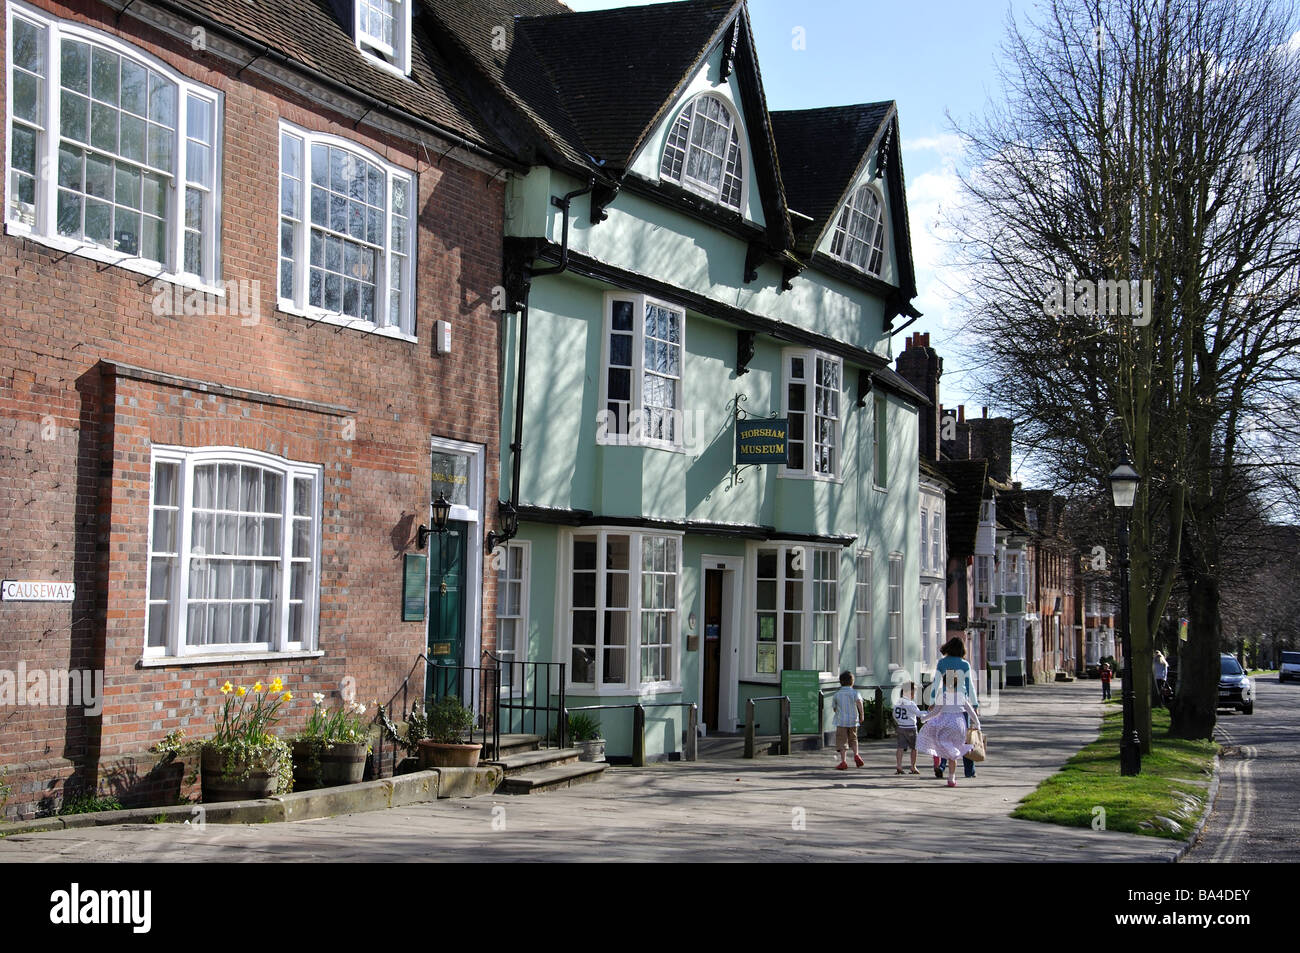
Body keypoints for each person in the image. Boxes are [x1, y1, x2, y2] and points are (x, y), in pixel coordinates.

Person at [916, 678, 982, 787]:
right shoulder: (961, 696)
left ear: (946, 683)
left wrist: (925, 719)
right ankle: (951, 778)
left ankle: (946, 761)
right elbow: (971, 711)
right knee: (953, 754)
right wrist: (977, 724)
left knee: (941, 742)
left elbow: (936, 712)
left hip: (946, 724)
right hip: (959, 725)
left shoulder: (944, 696)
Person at [932, 637, 978, 778]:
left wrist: (932, 700)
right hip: (961, 706)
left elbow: (936, 683)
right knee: (964, 739)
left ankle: (941, 765)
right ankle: (969, 771)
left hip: (945, 705)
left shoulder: (942, 663)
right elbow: (969, 685)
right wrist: (974, 704)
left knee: (946, 738)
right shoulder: (964, 664)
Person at [831, 671, 865, 770]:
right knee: (853, 739)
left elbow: (834, 708)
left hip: (841, 721)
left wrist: (838, 711)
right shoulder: (855, 693)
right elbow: (859, 703)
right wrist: (861, 715)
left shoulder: (837, 694)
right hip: (853, 720)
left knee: (842, 741)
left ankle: (843, 761)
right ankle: (856, 755)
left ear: (840, 682)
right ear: (852, 682)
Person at [892, 682, 926, 775]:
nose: (914, 695)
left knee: (900, 747)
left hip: (900, 727)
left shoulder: (898, 703)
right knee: (914, 747)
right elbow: (919, 714)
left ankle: (899, 765)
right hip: (911, 727)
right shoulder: (911, 704)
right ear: (910, 692)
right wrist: (928, 713)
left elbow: (894, 714)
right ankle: (913, 766)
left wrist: (899, 721)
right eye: (913, 692)